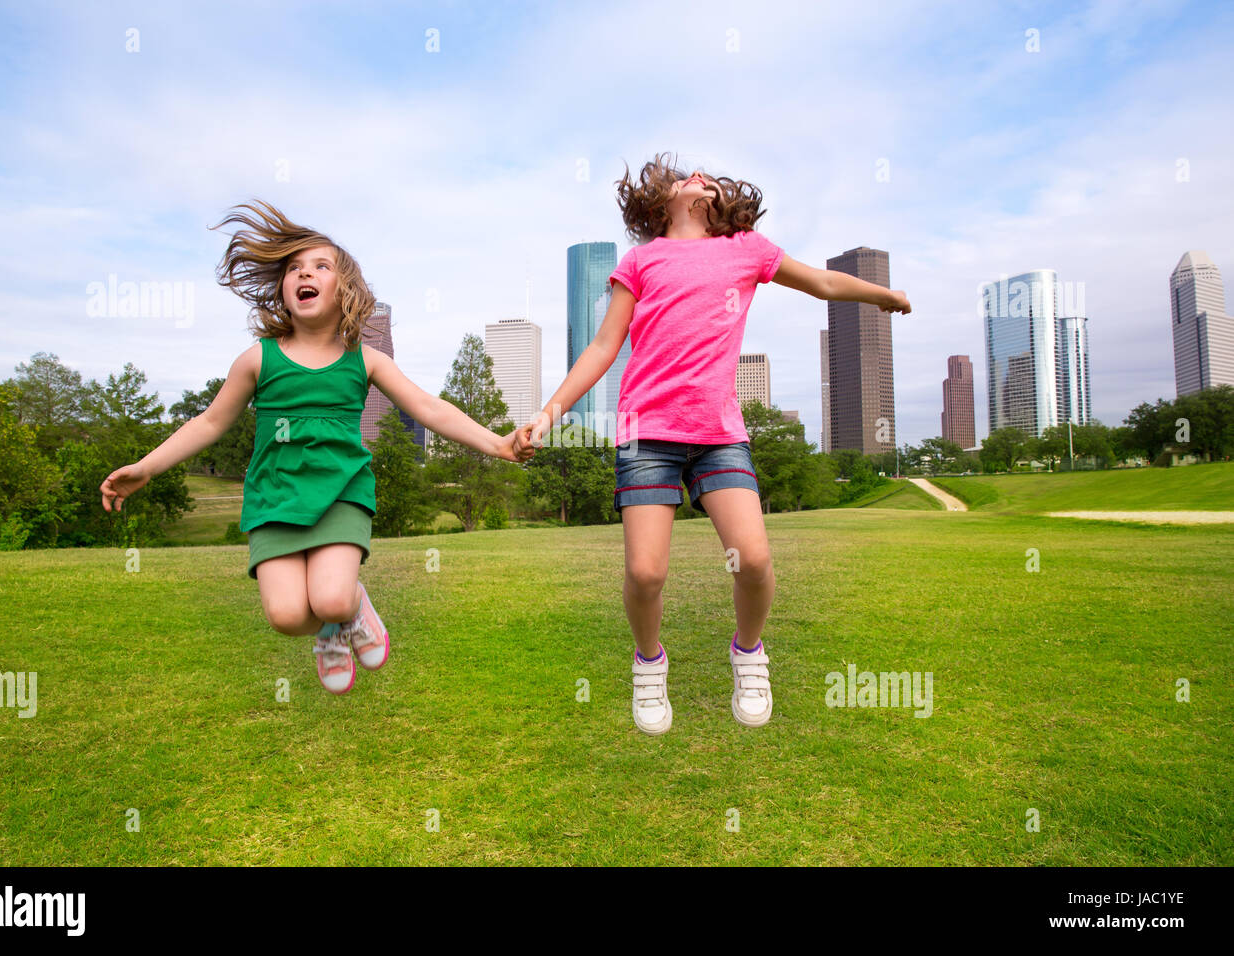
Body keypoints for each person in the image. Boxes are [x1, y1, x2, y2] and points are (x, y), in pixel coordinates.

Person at [528, 154, 911, 734]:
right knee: (646, 574)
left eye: (707, 176)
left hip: (717, 434)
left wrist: (880, 296)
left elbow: (824, 283)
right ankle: (649, 663)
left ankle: (749, 653)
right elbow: (604, 347)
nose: (700, 177)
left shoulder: (747, 249)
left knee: (753, 558)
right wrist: (548, 415)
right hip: (645, 433)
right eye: (686, 176)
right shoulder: (641, 260)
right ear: (662, 202)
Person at [101, 200, 534, 694]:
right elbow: (209, 422)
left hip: (340, 492)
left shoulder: (364, 360)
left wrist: (497, 444)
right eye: (294, 269)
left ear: (342, 288)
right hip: (275, 497)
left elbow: (428, 408)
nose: (304, 273)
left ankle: (346, 608)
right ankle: (332, 624)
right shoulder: (256, 360)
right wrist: (147, 467)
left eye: (320, 266)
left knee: (330, 598)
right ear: (284, 289)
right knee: (287, 615)